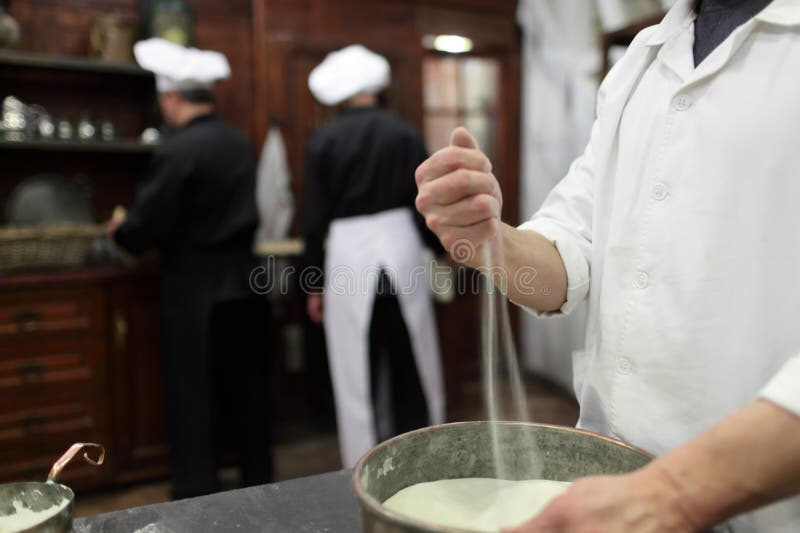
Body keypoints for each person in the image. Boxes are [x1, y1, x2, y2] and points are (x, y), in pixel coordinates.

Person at [415, 0, 800, 531]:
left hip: (755, 507)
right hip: (607, 483)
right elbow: (570, 250)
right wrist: (492, 244)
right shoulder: (639, 65)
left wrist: (674, 493)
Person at [107, 38, 272, 499]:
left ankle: (198, 496)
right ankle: (260, 486)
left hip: (195, 289)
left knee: (194, 398)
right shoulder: (238, 142)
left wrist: (121, 229)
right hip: (246, 282)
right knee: (248, 395)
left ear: (171, 98)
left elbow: (147, 225)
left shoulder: (177, 150)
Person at [303, 44, 446, 468]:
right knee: (409, 352)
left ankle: (363, 462)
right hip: (402, 247)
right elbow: (426, 203)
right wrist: (441, 250)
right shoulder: (403, 133)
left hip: (347, 253)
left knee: (356, 360)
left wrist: (313, 284)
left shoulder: (323, 140)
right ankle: (423, 453)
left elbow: (313, 218)